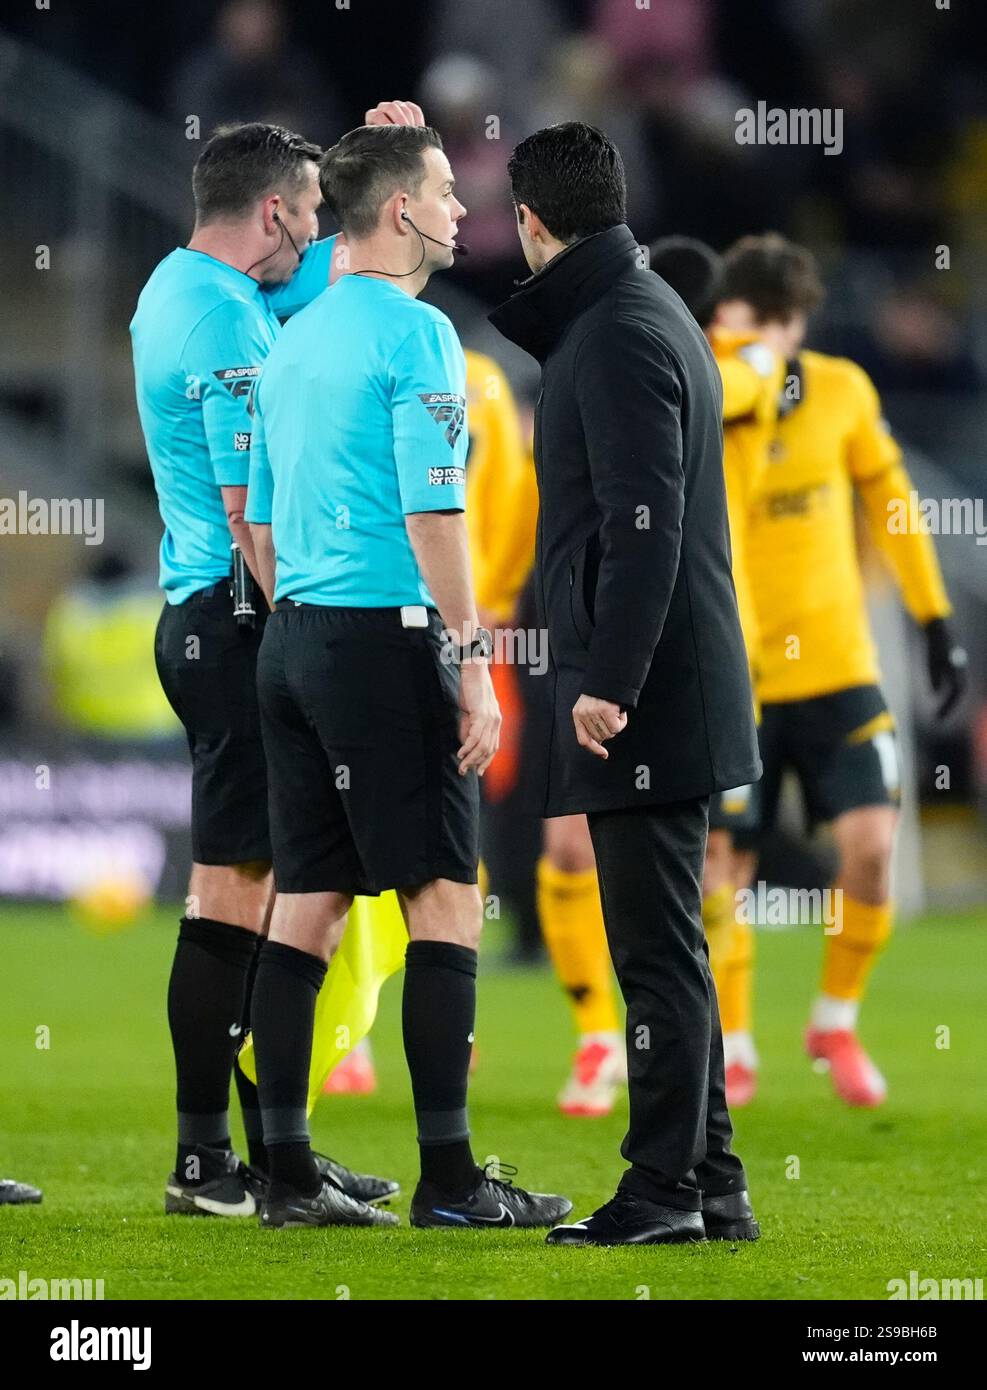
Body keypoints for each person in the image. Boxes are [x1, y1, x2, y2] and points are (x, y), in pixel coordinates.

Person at [245, 123, 571, 1231]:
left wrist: (308, 607)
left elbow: (257, 515)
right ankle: (452, 1179)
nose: (459, 212)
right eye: (441, 192)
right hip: (383, 642)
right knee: (447, 900)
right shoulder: (425, 337)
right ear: (398, 214)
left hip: (292, 641)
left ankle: (284, 1172)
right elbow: (436, 510)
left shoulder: (289, 338)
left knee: (308, 901)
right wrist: (474, 664)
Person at [130, 107, 422, 1221]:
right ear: (269, 213)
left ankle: (265, 1150)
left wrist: (365, 147)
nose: (316, 230)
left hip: (206, 613)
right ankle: (213, 1162)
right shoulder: (227, 329)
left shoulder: (189, 288)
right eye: (307, 211)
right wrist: (308, 619)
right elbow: (253, 500)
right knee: (237, 890)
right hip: (236, 613)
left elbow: (333, 280)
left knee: (259, 893)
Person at [490, 123, 761, 1246]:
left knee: (652, 955)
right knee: (669, 947)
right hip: (673, 679)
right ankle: (715, 1183)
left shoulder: (611, 332)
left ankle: (661, 1193)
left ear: (530, 222)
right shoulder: (647, 313)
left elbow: (642, 533)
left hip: (648, 690)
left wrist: (607, 680)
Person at [711, 233, 965, 1107]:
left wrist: (933, 619)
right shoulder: (703, 387)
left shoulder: (842, 393)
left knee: (869, 845)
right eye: (753, 320)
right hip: (736, 674)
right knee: (721, 868)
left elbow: (893, 505)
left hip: (835, 667)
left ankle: (834, 1020)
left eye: (783, 322)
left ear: (800, 321)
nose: (771, 338)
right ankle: (734, 1046)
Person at [649, 235, 782, 1107]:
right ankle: (692, 1043)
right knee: (695, 865)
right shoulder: (726, 361)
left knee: (718, 862)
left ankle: (728, 1041)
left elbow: (748, 372)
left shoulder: (731, 370)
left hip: (723, 640)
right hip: (711, 637)